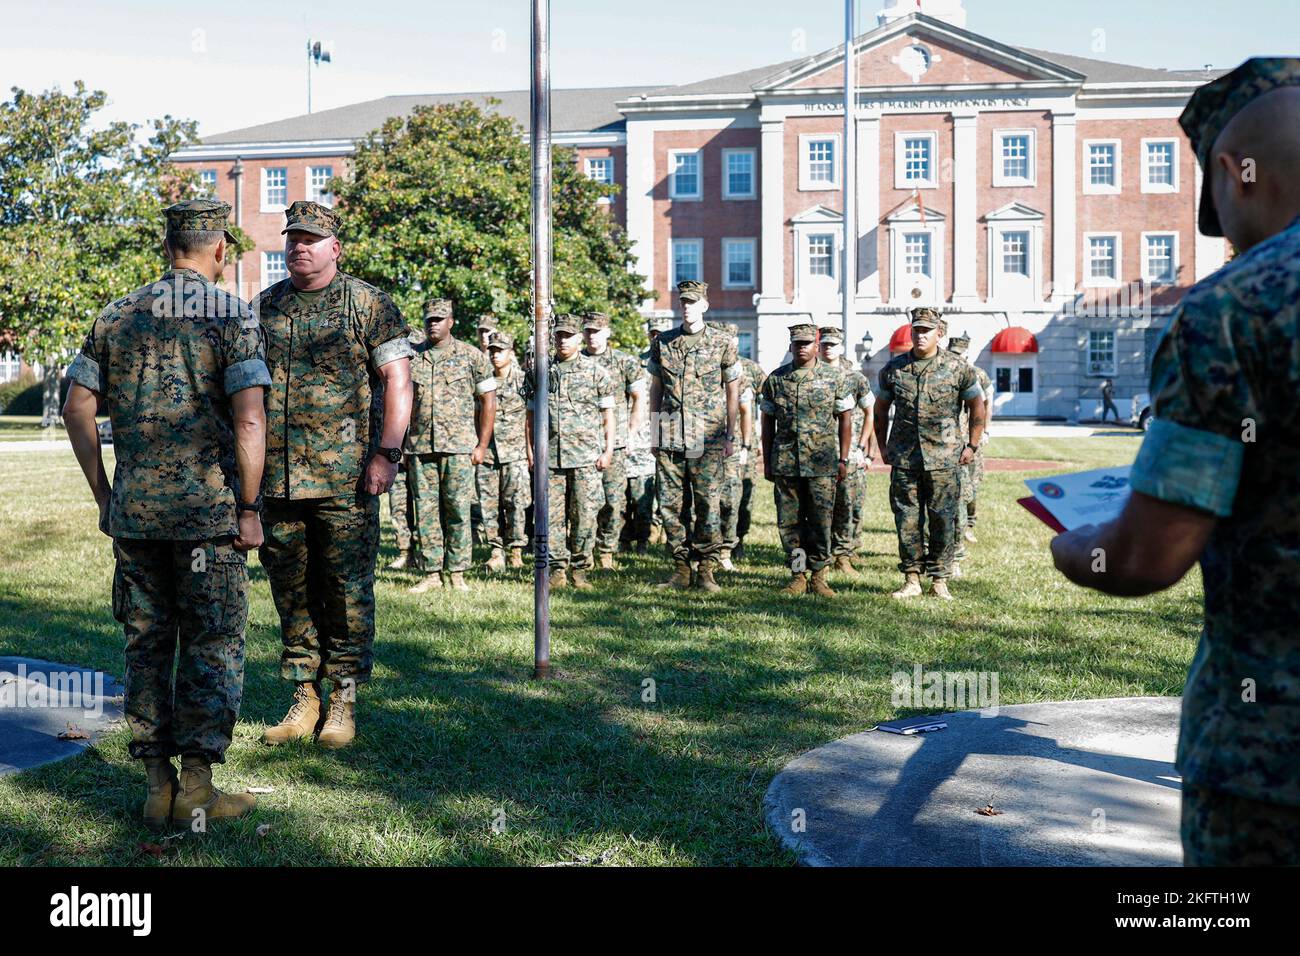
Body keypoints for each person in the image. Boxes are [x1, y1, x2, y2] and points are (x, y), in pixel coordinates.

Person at [1052, 59, 1300, 866]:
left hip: (1271, 760)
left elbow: (1146, 557)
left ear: (1236, 174)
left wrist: (1078, 545)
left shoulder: (1237, 307)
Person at [63, 199, 270, 826]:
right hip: (209, 519)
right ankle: (197, 788)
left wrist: (106, 495)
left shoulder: (117, 314)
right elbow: (251, 417)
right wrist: (251, 508)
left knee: (147, 642)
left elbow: (77, 408)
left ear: (167, 246)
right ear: (220, 250)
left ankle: (157, 784)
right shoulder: (232, 315)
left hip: (137, 518)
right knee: (211, 642)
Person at [255, 200, 413, 750]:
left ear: (335, 248)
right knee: (290, 589)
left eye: (312, 238)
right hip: (277, 479)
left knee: (346, 589)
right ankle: (305, 694)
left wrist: (386, 454)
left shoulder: (368, 303)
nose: (300, 245)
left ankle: (342, 698)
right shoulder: (264, 307)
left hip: (346, 478)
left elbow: (398, 381)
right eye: (293, 237)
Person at [874, 307, 985, 600]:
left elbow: (977, 406)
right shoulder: (894, 369)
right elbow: (881, 409)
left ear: (940, 333)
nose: (920, 335)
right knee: (907, 519)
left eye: (926, 330)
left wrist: (972, 445)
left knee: (942, 519)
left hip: (945, 458)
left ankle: (939, 580)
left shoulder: (957, 368)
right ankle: (911, 579)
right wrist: (883, 446)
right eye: (916, 329)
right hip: (905, 458)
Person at [647, 280, 741, 592]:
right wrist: (655, 431)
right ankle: (681, 570)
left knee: (707, 505)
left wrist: (730, 435)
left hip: (708, 438)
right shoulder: (664, 343)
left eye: (692, 302)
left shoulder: (722, 342)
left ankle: (706, 570)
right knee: (672, 507)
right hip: (672, 436)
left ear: (704, 305)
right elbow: (656, 389)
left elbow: (732, 390)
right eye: (683, 302)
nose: (687, 307)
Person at [406, 298, 498, 593]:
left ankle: (457, 571)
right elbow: (402, 402)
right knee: (425, 510)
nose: (433, 323)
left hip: (459, 446)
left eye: (439, 319)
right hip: (421, 447)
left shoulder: (472, 357)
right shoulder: (412, 358)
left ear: (451, 322)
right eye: (429, 319)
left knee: (458, 509)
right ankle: (431, 572)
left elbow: (488, 402)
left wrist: (482, 444)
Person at [761, 324, 855, 596]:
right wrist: (768, 461)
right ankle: (798, 575)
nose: (801, 347)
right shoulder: (776, 380)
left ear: (816, 346)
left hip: (822, 464)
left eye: (806, 343)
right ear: (790, 346)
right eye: (796, 343)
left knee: (820, 521)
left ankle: (819, 577)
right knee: (789, 523)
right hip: (786, 463)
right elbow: (767, 423)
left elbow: (845, 419)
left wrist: (844, 458)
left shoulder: (834, 378)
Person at [525, 314, 616, 590]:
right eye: (559, 336)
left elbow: (608, 415)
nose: (563, 341)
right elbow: (530, 416)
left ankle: (580, 569)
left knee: (585, 515)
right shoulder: (540, 372)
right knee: (550, 516)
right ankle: (556, 570)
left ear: (579, 339)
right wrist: (530, 451)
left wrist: (608, 450)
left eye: (569, 336)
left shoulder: (596, 373)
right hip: (549, 458)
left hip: (585, 457)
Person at [582, 311, 646, 571]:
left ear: (607, 332)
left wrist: (631, 432)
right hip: (581, 444)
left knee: (612, 501)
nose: (591, 336)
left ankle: (606, 551)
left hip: (614, 443)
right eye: (587, 331)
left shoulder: (624, 363)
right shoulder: (575, 361)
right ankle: (583, 552)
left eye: (596, 331)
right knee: (583, 503)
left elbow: (638, 399)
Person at [820, 327, 875, 576]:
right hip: (818, 450)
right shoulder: (813, 374)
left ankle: (844, 553)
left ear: (841, 347)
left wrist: (862, 445)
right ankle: (823, 553)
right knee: (820, 505)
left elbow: (870, 411)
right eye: (825, 344)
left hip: (848, 450)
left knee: (847, 504)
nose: (828, 348)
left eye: (833, 344)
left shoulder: (855, 378)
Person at [480, 330, 531, 571]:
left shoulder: (524, 380)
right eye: (492, 350)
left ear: (511, 352)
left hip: (516, 452)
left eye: (500, 350)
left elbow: (531, 418)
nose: (495, 355)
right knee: (489, 505)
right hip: (488, 453)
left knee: (516, 503)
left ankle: (516, 551)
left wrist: (531, 451)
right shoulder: (482, 379)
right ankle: (496, 551)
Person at [947, 333, 993, 563]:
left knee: (971, 486)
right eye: (953, 353)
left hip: (971, 437)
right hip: (952, 440)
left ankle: (969, 524)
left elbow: (985, 403)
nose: (957, 357)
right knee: (959, 487)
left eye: (960, 354)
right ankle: (957, 527)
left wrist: (984, 431)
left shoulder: (977, 374)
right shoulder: (945, 371)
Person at [387, 322, 426, 570]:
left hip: (421, 448)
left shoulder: (424, 374)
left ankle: (425, 551)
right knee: (399, 503)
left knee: (424, 504)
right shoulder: (389, 374)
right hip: (397, 451)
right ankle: (405, 551)